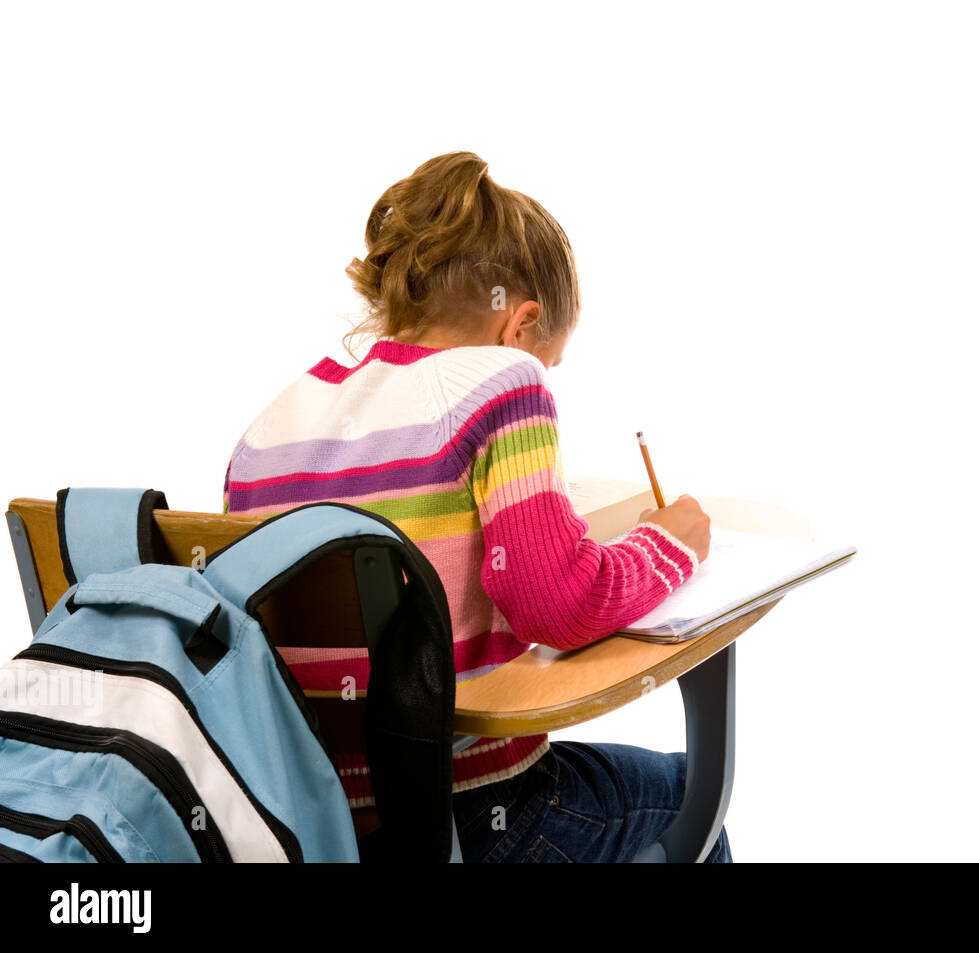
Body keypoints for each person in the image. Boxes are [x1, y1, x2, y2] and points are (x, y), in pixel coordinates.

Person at [221, 151, 730, 862]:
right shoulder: (504, 380)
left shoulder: (270, 425)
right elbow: (557, 606)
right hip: (469, 813)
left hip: (308, 827)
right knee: (688, 794)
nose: (540, 373)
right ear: (520, 327)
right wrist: (668, 543)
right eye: (548, 357)